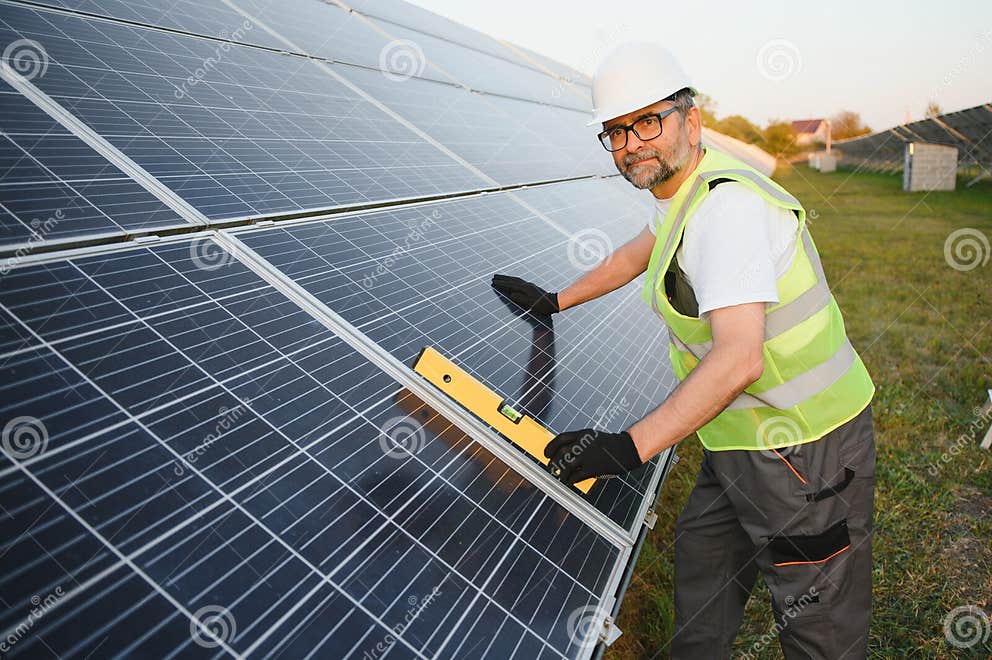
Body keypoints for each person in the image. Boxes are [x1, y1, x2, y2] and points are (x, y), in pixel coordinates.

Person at [491, 42, 877, 659]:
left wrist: (630, 446)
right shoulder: (684, 196)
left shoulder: (728, 211)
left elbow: (738, 359)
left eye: (648, 121)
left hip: (806, 448)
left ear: (690, 121)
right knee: (703, 571)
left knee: (817, 622)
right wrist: (556, 300)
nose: (631, 143)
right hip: (737, 438)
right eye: (616, 131)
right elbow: (636, 253)